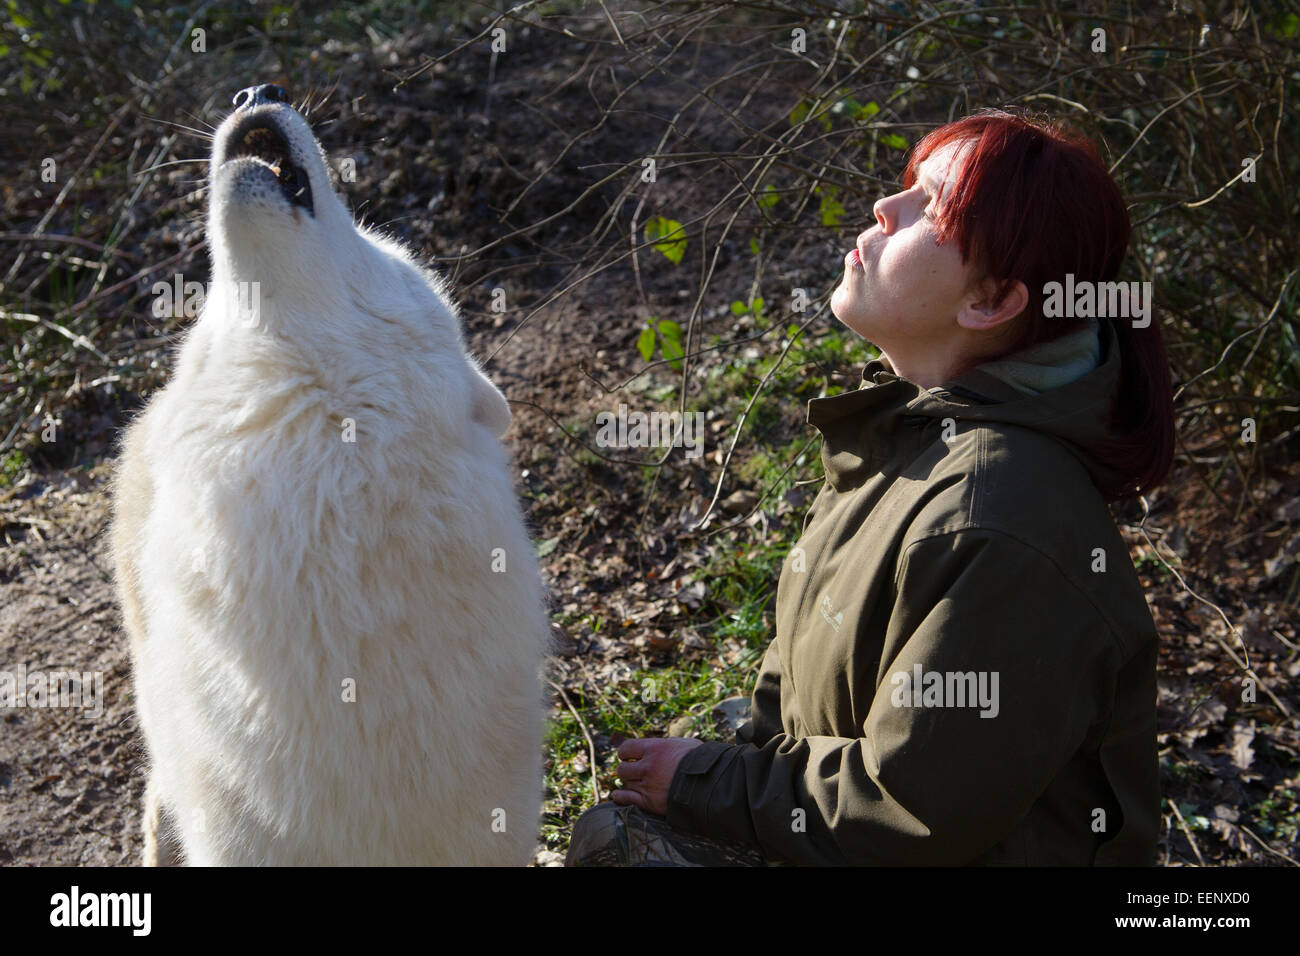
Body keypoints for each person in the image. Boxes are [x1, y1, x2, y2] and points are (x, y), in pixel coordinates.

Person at [566, 107, 1173, 866]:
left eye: (933, 206)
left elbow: (911, 810)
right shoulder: (905, 442)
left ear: (989, 301)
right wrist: (717, 773)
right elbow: (790, 702)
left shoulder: (1001, 517)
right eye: (907, 186)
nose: (888, 208)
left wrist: (704, 780)